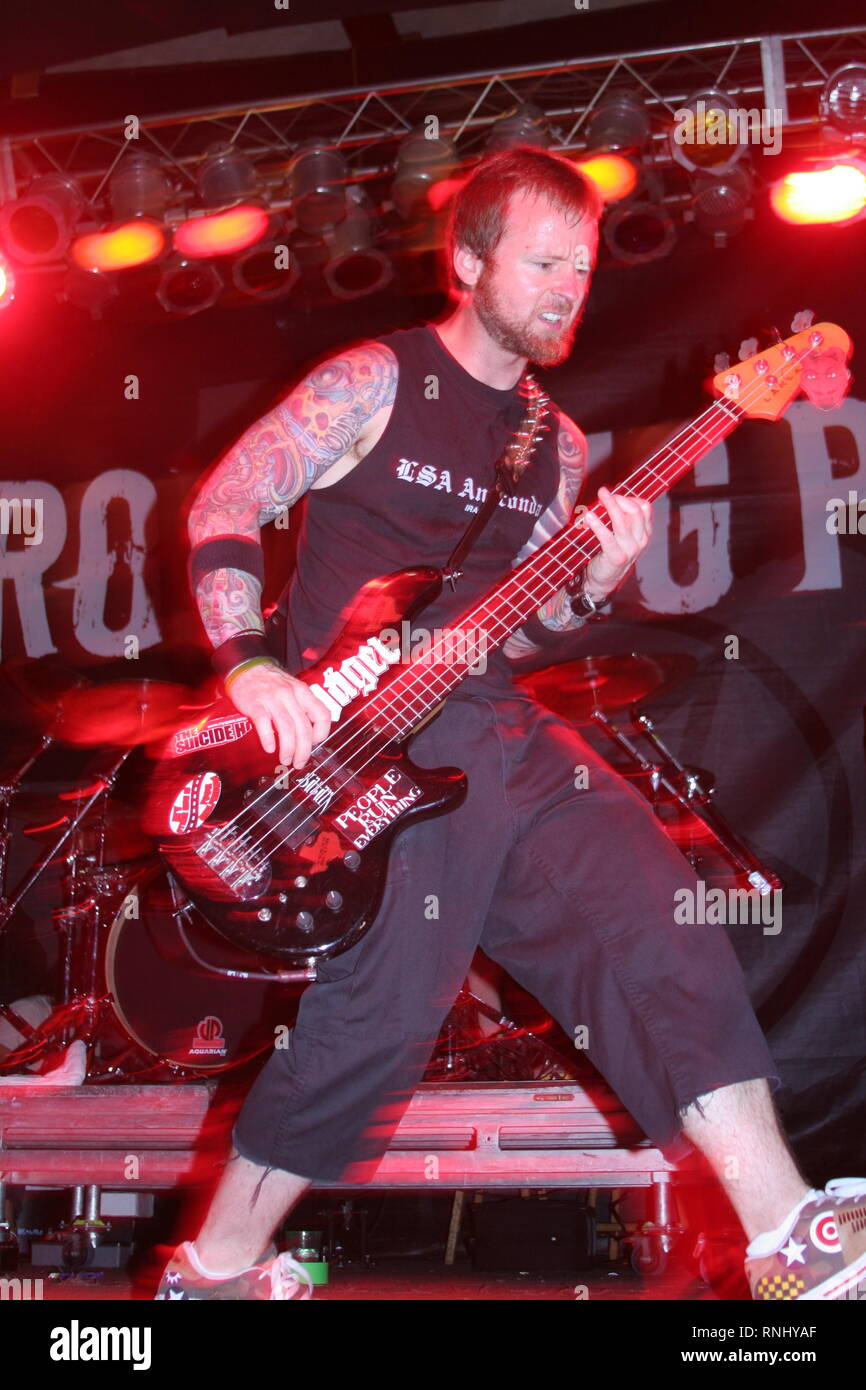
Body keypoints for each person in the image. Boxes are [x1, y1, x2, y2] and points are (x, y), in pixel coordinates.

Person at [155, 147, 865, 1302]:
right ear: (468, 259)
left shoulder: (560, 447)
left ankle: (783, 1224)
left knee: (655, 914)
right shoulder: (372, 383)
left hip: (492, 728)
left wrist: (587, 585)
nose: (564, 290)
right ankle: (218, 1267)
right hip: (369, 742)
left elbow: (519, 634)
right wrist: (246, 667)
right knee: (379, 1014)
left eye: (580, 271)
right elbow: (230, 501)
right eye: (542, 263)